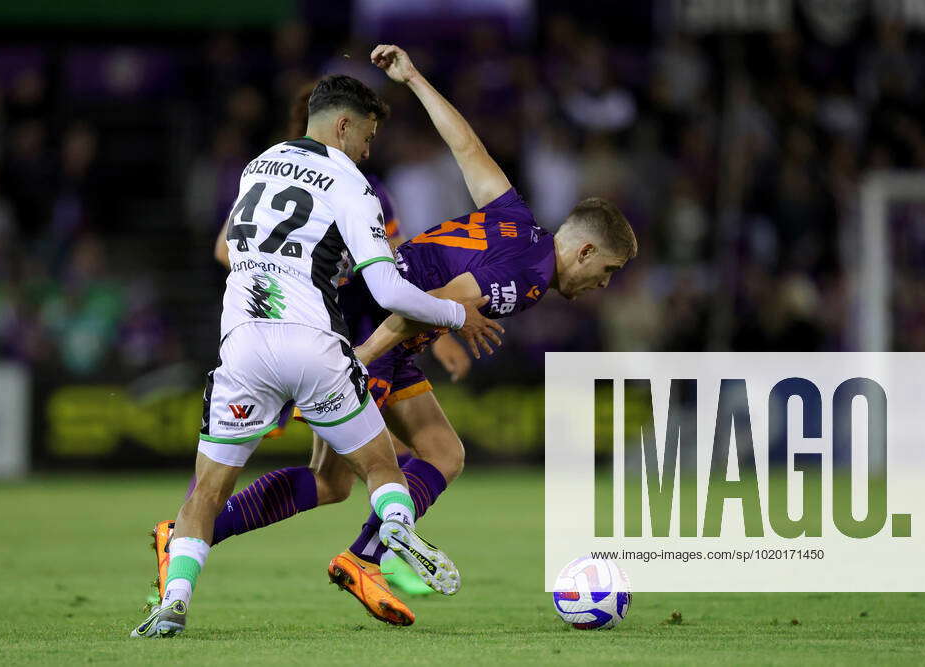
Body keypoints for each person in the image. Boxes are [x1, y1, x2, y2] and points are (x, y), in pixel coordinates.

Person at [151, 43, 637, 629]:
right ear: (583, 250)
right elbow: (415, 312)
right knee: (342, 479)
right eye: (605, 271)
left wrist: (415, 79)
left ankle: (340, 553)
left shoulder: (518, 222)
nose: (600, 285)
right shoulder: (528, 279)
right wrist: (355, 363)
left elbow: (468, 148)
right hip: (370, 329)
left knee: (438, 453)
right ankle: (346, 557)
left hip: (372, 329)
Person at [130, 73, 503, 638]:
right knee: (382, 467)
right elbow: (389, 291)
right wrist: (456, 315)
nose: (368, 150)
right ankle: (394, 529)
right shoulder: (354, 184)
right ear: (345, 124)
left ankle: (175, 599)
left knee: (206, 491)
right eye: (368, 137)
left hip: (243, 347)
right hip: (317, 346)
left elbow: (226, 248)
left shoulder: (257, 166)